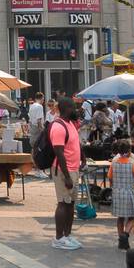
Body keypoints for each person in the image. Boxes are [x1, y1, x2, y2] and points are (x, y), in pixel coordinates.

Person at [48, 99, 82, 250]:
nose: (76, 110)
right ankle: (58, 238)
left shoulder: (70, 124)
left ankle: (67, 235)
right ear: (67, 108)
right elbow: (59, 152)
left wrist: (83, 157)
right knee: (63, 203)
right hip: (63, 171)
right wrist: (67, 176)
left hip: (74, 169)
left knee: (70, 203)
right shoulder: (58, 126)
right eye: (74, 107)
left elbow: (75, 143)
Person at [109, 139, 134, 250]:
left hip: (117, 192)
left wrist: (113, 186)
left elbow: (110, 177)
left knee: (120, 217)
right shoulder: (133, 164)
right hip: (129, 192)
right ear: (129, 150)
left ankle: (121, 238)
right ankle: (125, 234)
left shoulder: (114, 162)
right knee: (132, 216)